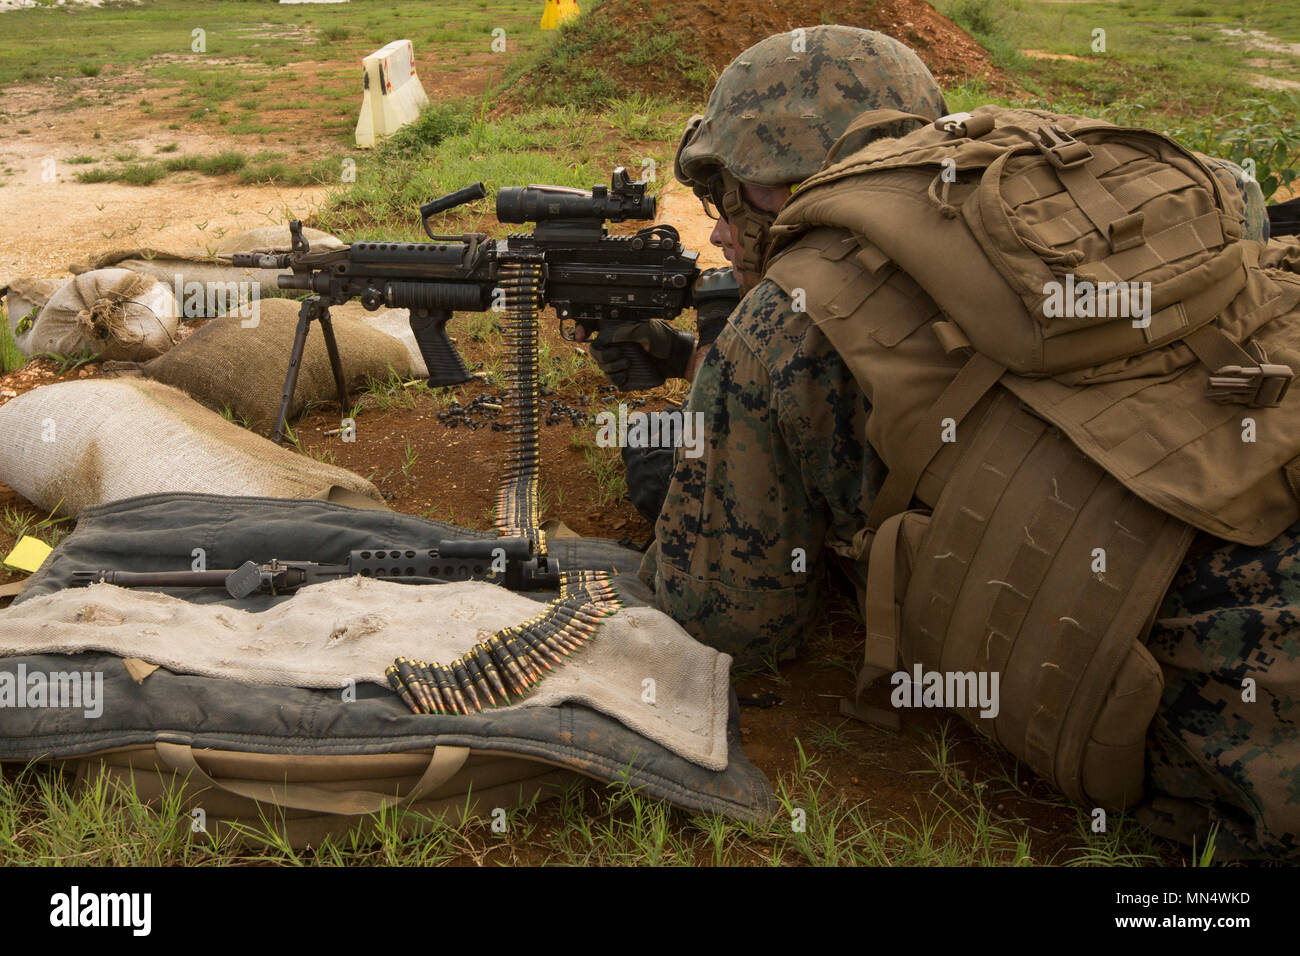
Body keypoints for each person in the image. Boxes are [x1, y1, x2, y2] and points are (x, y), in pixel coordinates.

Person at [591, 24, 1300, 860]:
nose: (719, 234)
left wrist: (697, 429)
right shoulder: (1109, 179)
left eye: (728, 196)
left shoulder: (785, 318)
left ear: (772, 190)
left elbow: (727, 626)